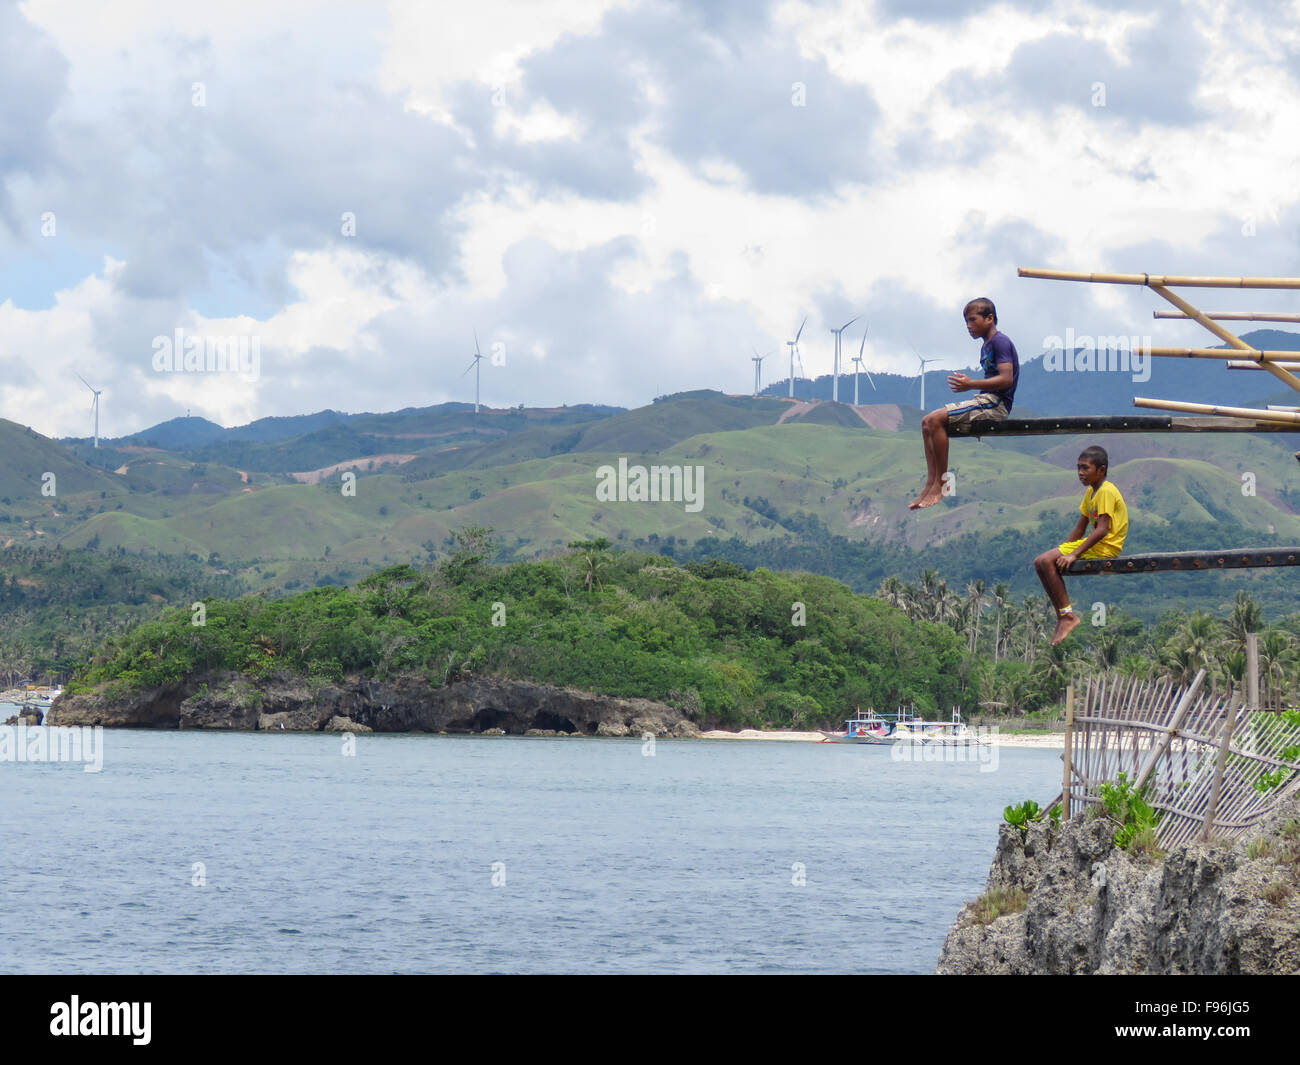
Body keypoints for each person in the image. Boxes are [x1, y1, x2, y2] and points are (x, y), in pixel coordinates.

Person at [910, 298, 1019, 509]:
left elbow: (1007, 379)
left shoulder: (1000, 341)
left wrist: (971, 384)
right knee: (926, 422)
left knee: (934, 419)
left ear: (989, 318)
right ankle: (931, 481)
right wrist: (972, 386)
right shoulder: (987, 345)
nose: (969, 326)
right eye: (966, 322)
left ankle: (942, 484)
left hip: (996, 403)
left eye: (972, 320)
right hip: (985, 399)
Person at [1034, 445, 1128, 645]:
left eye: (1085, 468)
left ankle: (1067, 616)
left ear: (1101, 470)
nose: (1080, 473)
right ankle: (1063, 615)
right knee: (1043, 563)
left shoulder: (1106, 491)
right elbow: (1080, 528)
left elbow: (1102, 529)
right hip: (1095, 543)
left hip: (1105, 546)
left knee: (1043, 560)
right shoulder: (1091, 493)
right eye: (1078, 468)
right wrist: (1062, 550)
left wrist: (1073, 554)